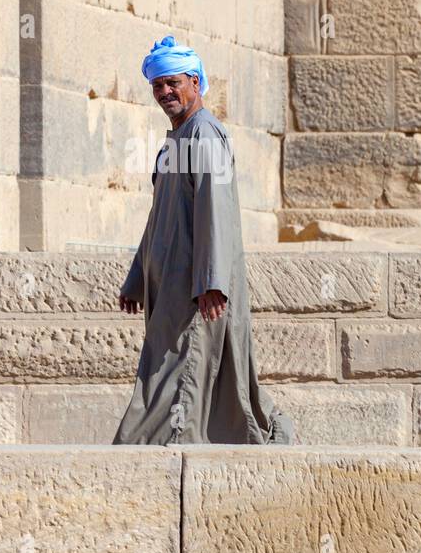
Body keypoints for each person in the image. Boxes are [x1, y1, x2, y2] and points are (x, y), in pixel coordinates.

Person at [113, 34, 295, 446]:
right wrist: (137, 277)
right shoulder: (173, 142)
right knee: (198, 381)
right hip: (170, 290)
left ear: (195, 83)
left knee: (175, 380)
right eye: (157, 85)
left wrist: (211, 281)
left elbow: (217, 211)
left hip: (196, 292)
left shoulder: (205, 135)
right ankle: (259, 439)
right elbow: (159, 220)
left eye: (172, 83)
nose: (164, 92)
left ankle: (141, 458)